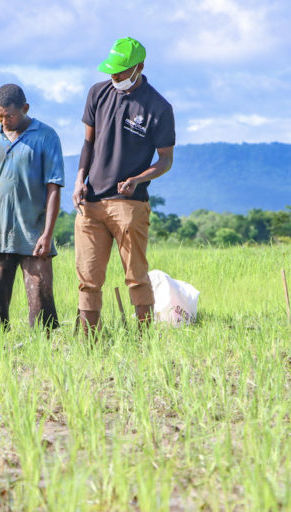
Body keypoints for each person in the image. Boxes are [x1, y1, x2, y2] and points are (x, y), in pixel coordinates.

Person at [72, 37, 175, 333]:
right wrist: (80, 180)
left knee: (136, 276)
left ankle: (144, 340)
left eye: (119, 72)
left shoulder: (159, 108)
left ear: (138, 67)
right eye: (111, 71)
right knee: (88, 278)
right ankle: (88, 342)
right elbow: (88, 143)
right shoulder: (97, 93)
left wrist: (139, 179)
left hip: (130, 205)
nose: (113, 77)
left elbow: (166, 160)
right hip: (91, 203)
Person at [0, 83, 64, 330]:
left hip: (34, 234)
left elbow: (54, 187)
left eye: (9, 115)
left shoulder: (46, 136)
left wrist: (47, 233)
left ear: (25, 108)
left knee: (41, 306)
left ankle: (44, 356)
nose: (4, 121)